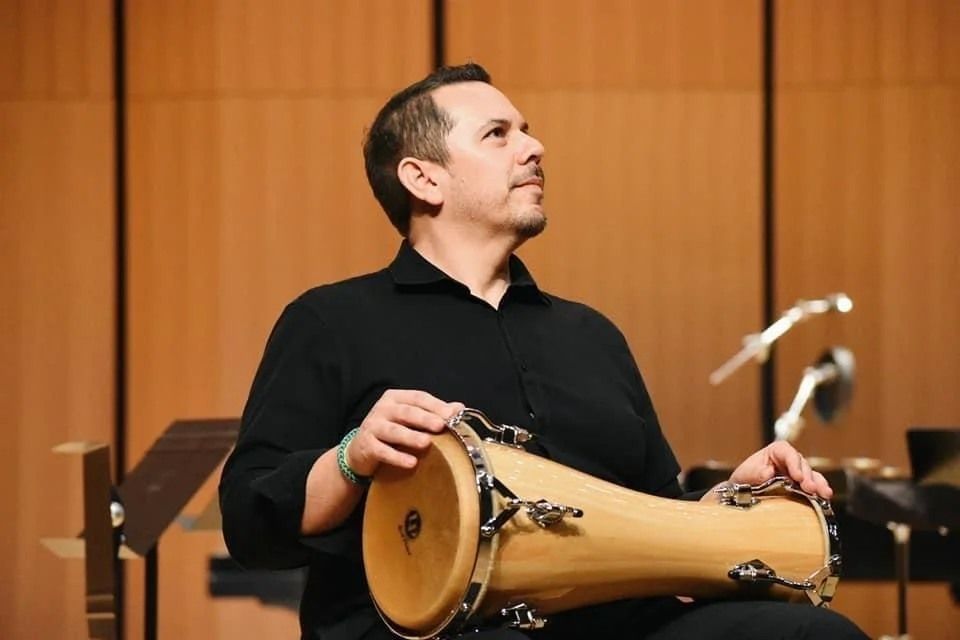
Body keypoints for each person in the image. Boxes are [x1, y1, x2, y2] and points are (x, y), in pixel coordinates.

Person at [219, 63, 866, 640]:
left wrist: (732, 501)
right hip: (429, 630)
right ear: (423, 177)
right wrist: (352, 456)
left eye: (524, 130)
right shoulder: (331, 322)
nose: (534, 148)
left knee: (812, 633)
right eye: (497, 135)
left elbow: (658, 516)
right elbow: (250, 522)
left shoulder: (591, 335)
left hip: (619, 621)